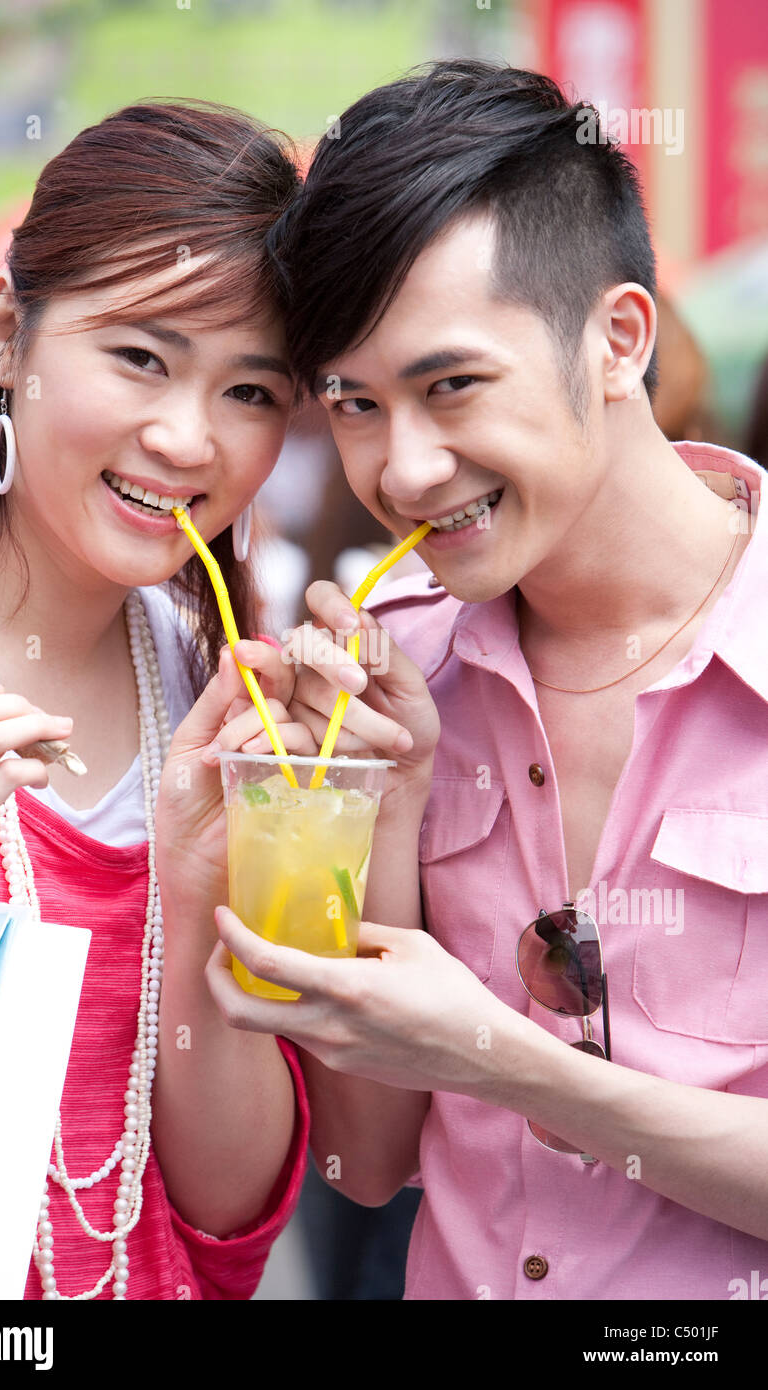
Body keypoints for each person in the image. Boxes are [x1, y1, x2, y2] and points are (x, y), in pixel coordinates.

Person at [201, 59, 768, 1301]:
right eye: (352, 402)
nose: (400, 468)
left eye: (450, 385)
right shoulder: (393, 672)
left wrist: (509, 1063)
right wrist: (377, 809)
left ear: (615, 340)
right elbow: (364, 1163)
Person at [0, 98, 314, 1301]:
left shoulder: (220, 689)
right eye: (139, 356)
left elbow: (226, 1218)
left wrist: (198, 895)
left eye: (251, 392)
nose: (187, 438)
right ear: (5, 334)